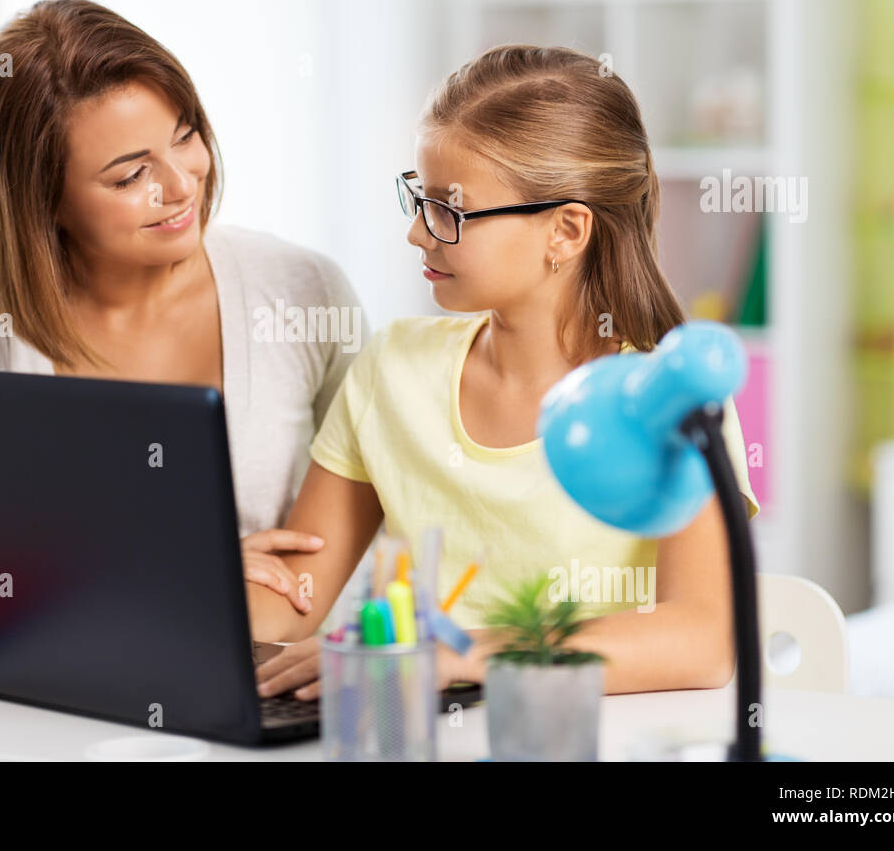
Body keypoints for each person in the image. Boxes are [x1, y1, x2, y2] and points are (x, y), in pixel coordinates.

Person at [0, 0, 367, 643]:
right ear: (43, 203)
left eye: (186, 136)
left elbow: (355, 545)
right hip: (63, 721)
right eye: (130, 176)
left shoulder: (302, 291)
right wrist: (176, 570)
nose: (180, 185)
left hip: (269, 705)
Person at [247, 45, 759, 699]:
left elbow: (701, 642)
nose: (418, 234)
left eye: (450, 211)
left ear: (566, 232)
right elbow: (295, 600)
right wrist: (224, 590)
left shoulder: (664, 402)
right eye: (419, 198)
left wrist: (464, 653)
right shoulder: (393, 369)